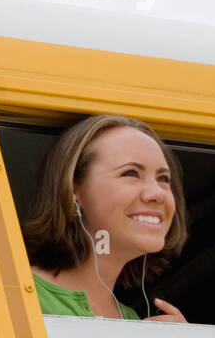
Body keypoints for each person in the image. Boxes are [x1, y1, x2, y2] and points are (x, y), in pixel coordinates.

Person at [21, 114, 188, 321]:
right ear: (73, 192)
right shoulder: (18, 296)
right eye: (131, 174)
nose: (158, 193)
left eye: (163, 178)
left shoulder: (132, 319)